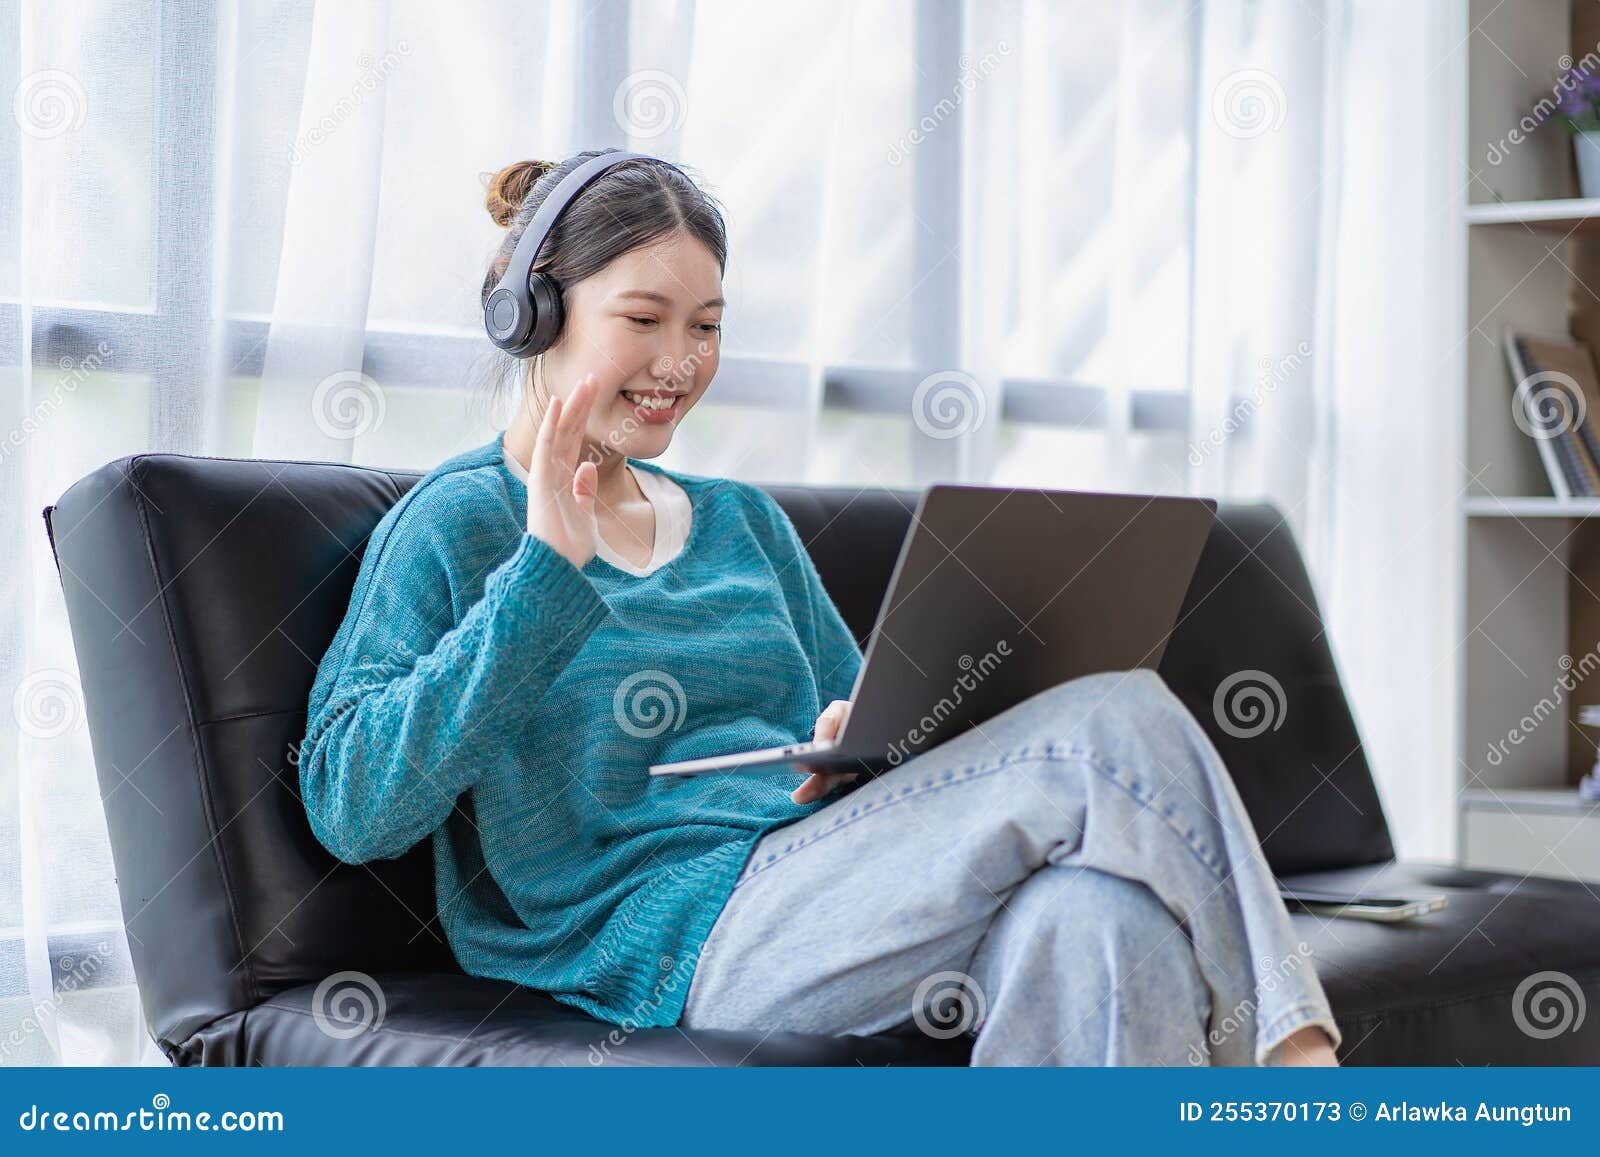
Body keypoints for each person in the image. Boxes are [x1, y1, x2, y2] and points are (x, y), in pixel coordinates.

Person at [297, 149, 1341, 1066]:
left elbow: (861, 727)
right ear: (532, 312)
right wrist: (543, 577)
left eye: (705, 326)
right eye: (644, 319)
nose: (679, 363)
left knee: (1097, 917)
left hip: (824, 895)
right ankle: (1296, 1060)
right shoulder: (458, 523)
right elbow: (356, 806)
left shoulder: (742, 523)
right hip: (676, 942)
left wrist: (856, 747)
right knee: (1116, 716)